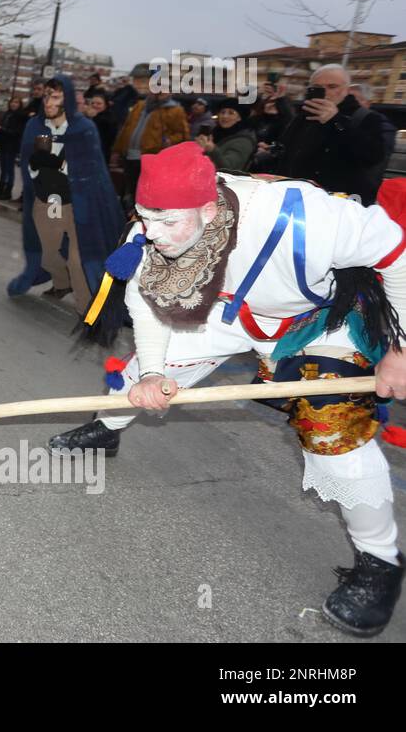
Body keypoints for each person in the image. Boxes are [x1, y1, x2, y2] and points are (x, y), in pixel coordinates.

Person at [54, 142, 406, 637]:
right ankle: (107, 429)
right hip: (226, 313)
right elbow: (149, 305)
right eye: (144, 218)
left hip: (318, 323)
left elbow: (397, 253)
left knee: (334, 436)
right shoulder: (153, 229)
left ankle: (380, 562)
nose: (152, 234)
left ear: (209, 206)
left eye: (166, 222)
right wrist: (156, 373)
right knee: (140, 378)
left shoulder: (308, 219)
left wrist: (401, 347)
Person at [8, 75, 125, 306]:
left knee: (77, 259)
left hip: (79, 204)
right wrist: (36, 166)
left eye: (56, 97)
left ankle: (91, 311)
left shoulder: (84, 128)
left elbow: (94, 170)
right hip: (49, 202)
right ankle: (62, 284)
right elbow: (27, 164)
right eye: (46, 97)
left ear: (67, 99)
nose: (48, 103)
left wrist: (60, 164)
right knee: (48, 254)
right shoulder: (36, 125)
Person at [279, 64, 396, 205]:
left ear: (347, 90)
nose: (326, 92)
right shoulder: (304, 116)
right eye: (318, 87)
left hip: (339, 204)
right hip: (297, 198)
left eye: (332, 87)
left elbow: (373, 156)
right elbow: (288, 150)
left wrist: (336, 120)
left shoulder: (367, 118)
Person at [111, 74, 189, 206]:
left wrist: (170, 141)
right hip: (129, 156)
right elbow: (126, 129)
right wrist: (116, 150)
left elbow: (182, 135)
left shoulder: (175, 111)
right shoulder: (140, 105)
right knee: (128, 189)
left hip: (151, 159)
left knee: (143, 192)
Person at [0, 94, 30, 200]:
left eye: (16, 102)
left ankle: (7, 191)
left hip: (12, 145)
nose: (13, 104)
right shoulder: (8, 114)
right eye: (12, 102)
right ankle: (0, 189)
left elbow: (17, 132)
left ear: (20, 105)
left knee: (9, 169)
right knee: (3, 168)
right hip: (4, 144)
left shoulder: (21, 116)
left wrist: (3, 130)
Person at [197, 97, 256, 172]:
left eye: (231, 113)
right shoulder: (216, 133)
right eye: (222, 112)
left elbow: (229, 168)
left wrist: (212, 150)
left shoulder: (243, 141)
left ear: (239, 118)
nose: (225, 116)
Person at [82, 90, 118, 159]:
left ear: (105, 106)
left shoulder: (109, 119)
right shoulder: (87, 116)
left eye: (99, 103)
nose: (95, 105)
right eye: (92, 103)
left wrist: (91, 117)